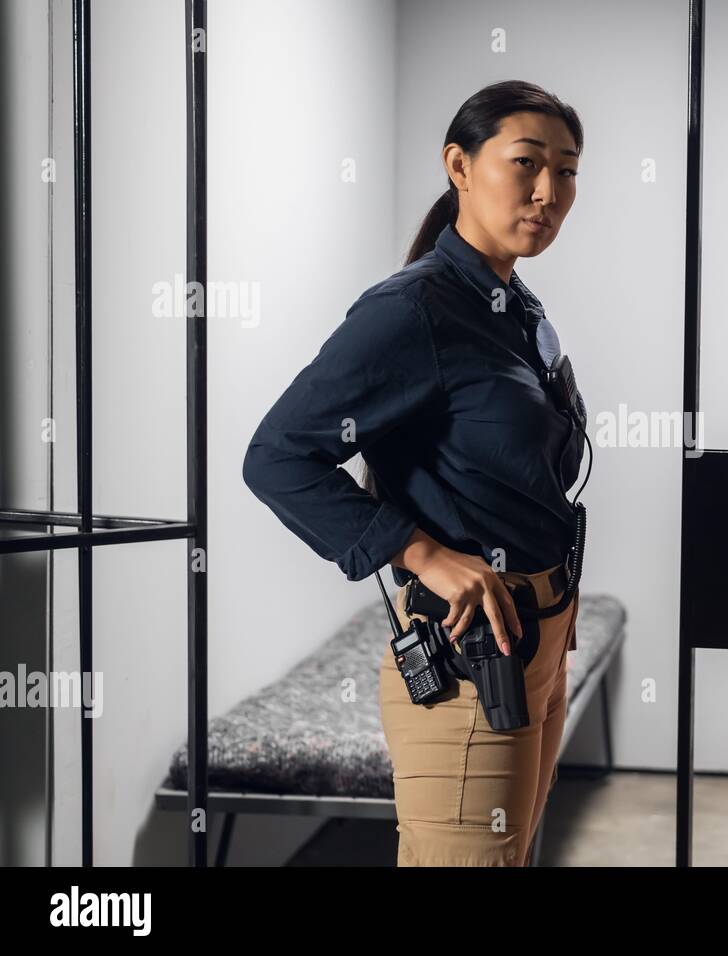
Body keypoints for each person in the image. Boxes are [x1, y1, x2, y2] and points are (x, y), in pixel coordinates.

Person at [242, 80, 588, 866]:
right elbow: (277, 455)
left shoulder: (514, 306)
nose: (549, 191)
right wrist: (421, 552)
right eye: (526, 162)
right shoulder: (412, 309)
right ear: (459, 166)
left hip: (541, 637)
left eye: (567, 171)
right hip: (471, 659)